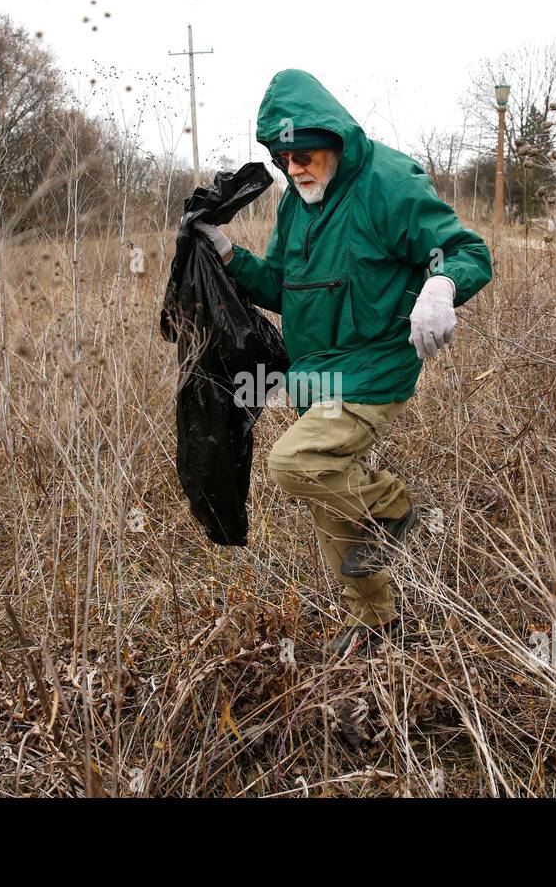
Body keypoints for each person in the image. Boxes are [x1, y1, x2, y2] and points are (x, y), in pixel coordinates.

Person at [196, 69, 492, 658]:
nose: (295, 166)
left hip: (375, 367)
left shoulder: (387, 182)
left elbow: (466, 250)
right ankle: (378, 623)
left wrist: (440, 288)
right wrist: (227, 255)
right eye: (284, 157)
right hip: (318, 377)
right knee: (331, 507)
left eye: (305, 153)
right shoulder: (296, 205)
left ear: (334, 139)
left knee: (295, 464)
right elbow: (281, 287)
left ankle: (396, 505)